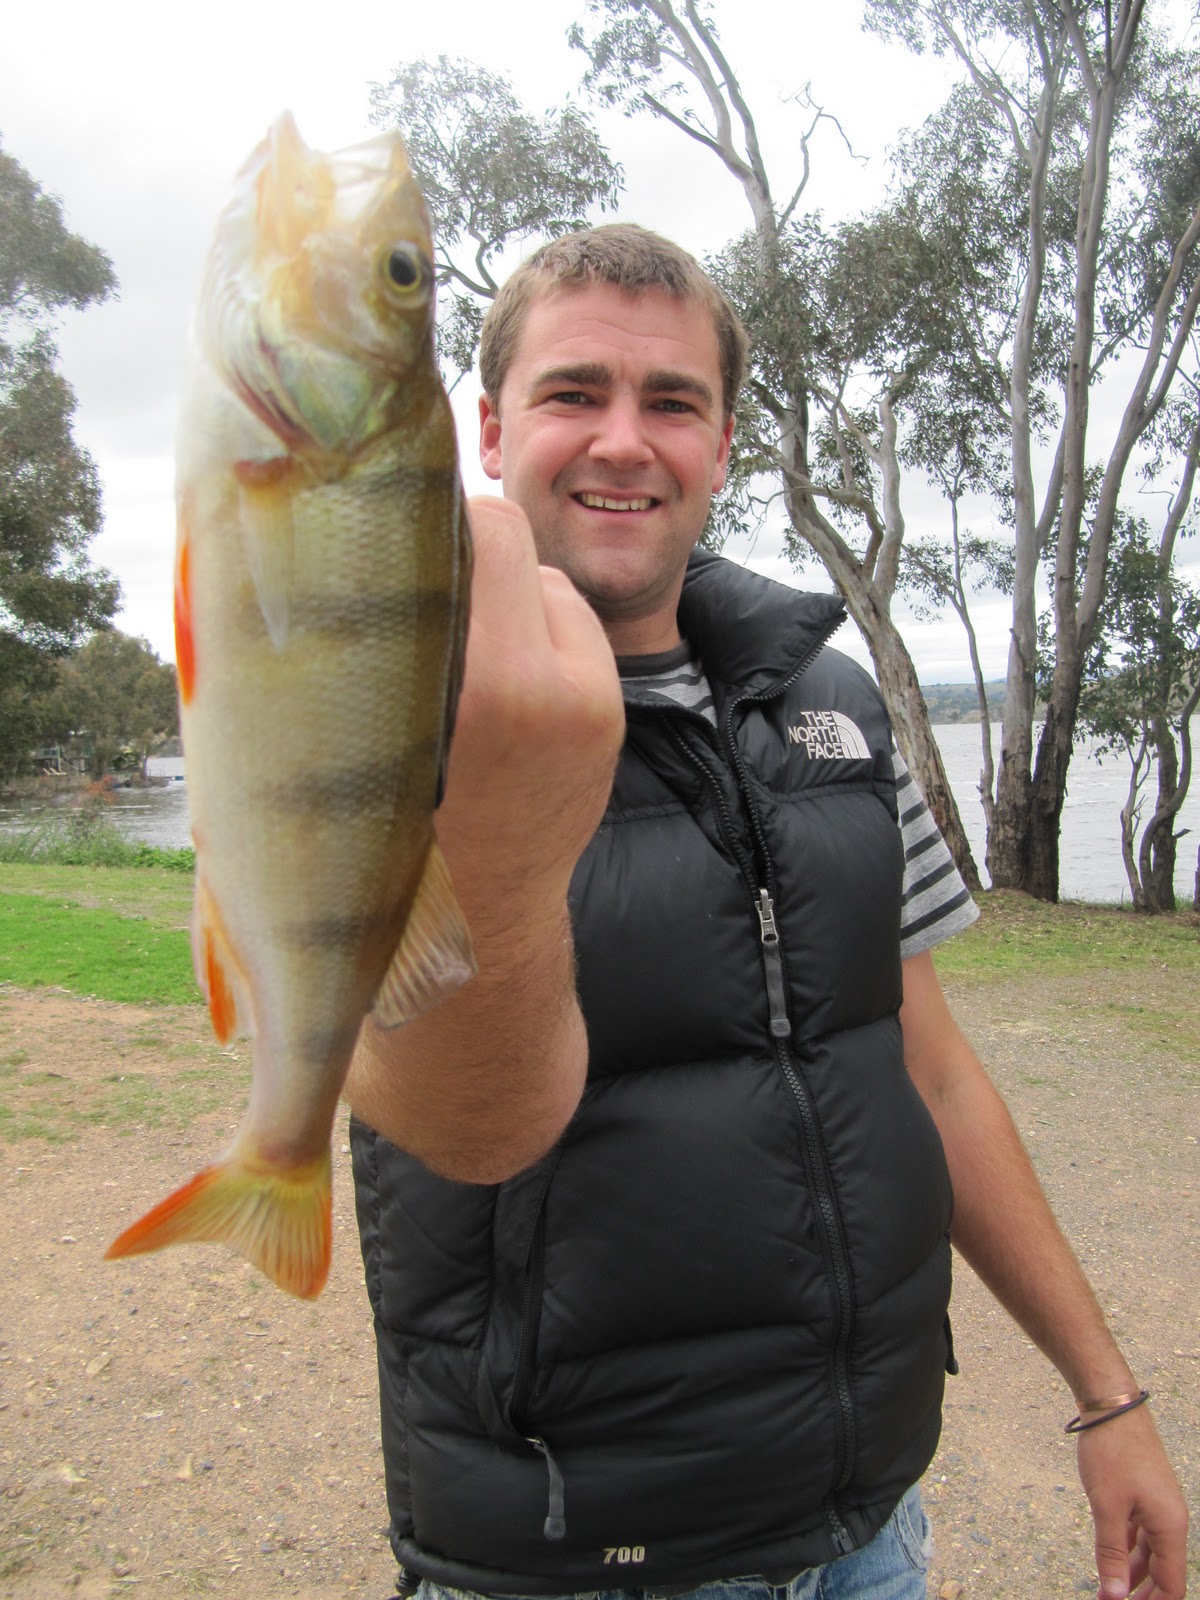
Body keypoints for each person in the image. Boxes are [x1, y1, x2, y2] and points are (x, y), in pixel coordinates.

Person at [345, 225, 1188, 1600]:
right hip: (575, 1560)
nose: (626, 440)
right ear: (489, 431)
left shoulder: (832, 705)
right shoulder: (384, 715)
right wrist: (490, 819)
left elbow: (929, 1070)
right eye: (574, 394)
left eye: (671, 402)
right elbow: (448, 1126)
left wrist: (1110, 1393)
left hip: (861, 1529)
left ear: (723, 444)